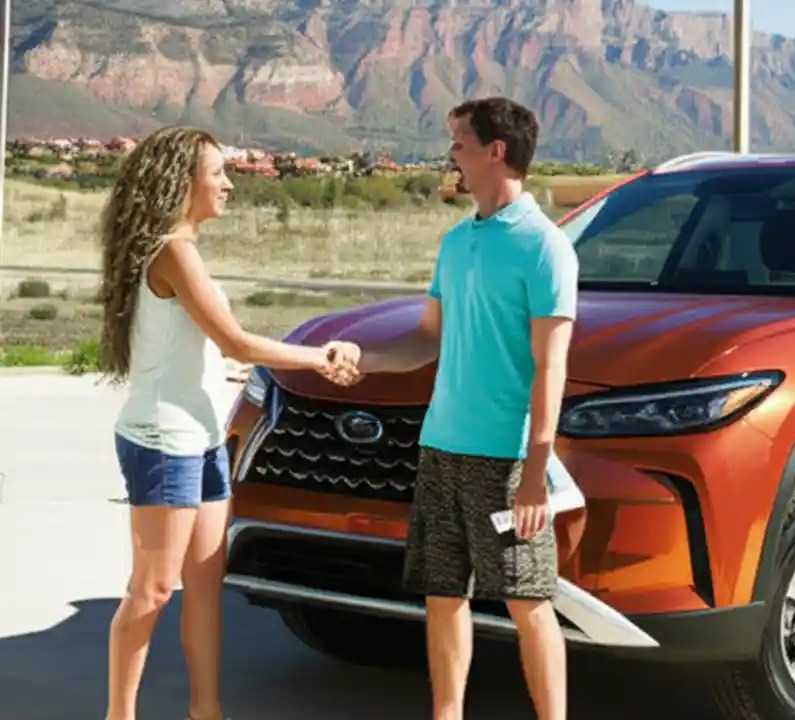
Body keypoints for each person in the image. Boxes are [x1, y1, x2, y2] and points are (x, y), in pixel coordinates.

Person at [96, 125, 360, 720]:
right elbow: (235, 340)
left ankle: (206, 712)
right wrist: (321, 356)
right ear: (181, 181)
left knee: (204, 585)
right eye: (217, 173)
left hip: (206, 437)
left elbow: (203, 349)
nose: (228, 184)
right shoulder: (173, 251)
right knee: (154, 589)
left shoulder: (180, 250)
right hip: (164, 441)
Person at [352, 97, 578, 720]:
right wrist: (360, 358)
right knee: (442, 594)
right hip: (441, 448)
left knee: (528, 599)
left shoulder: (545, 248)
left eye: (458, 141)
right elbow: (427, 338)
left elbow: (550, 367)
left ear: (495, 151)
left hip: (505, 462)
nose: (450, 153)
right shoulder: (455, 244)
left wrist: (536, 469)